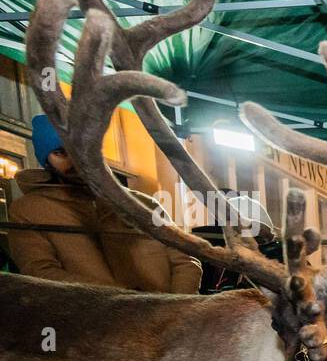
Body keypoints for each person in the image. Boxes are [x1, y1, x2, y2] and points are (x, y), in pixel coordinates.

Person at [10, 116, 202, 293]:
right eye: (60, 152)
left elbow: (185, 261)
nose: (75, 161)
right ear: (46, 160)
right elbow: (41, 273)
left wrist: (176, 308)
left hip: (166, 319)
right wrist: (122, 300)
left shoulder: (143, 204)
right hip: (94, 324)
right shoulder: (29, 210)